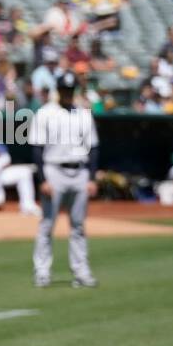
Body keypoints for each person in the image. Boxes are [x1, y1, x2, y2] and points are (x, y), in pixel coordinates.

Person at [31, 72, 99, 288]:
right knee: (47, 224)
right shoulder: (45, 113)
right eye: (64, 90)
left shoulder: (84, 114)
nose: (67, 94)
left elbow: (94, 148)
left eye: (70, 91)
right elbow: (36, 148)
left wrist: (92, 177)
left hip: (80, 171)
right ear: (57, 91)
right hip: (54, 170)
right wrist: (42, 179)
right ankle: (42, 272)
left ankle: (81, 272)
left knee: (78, 225)